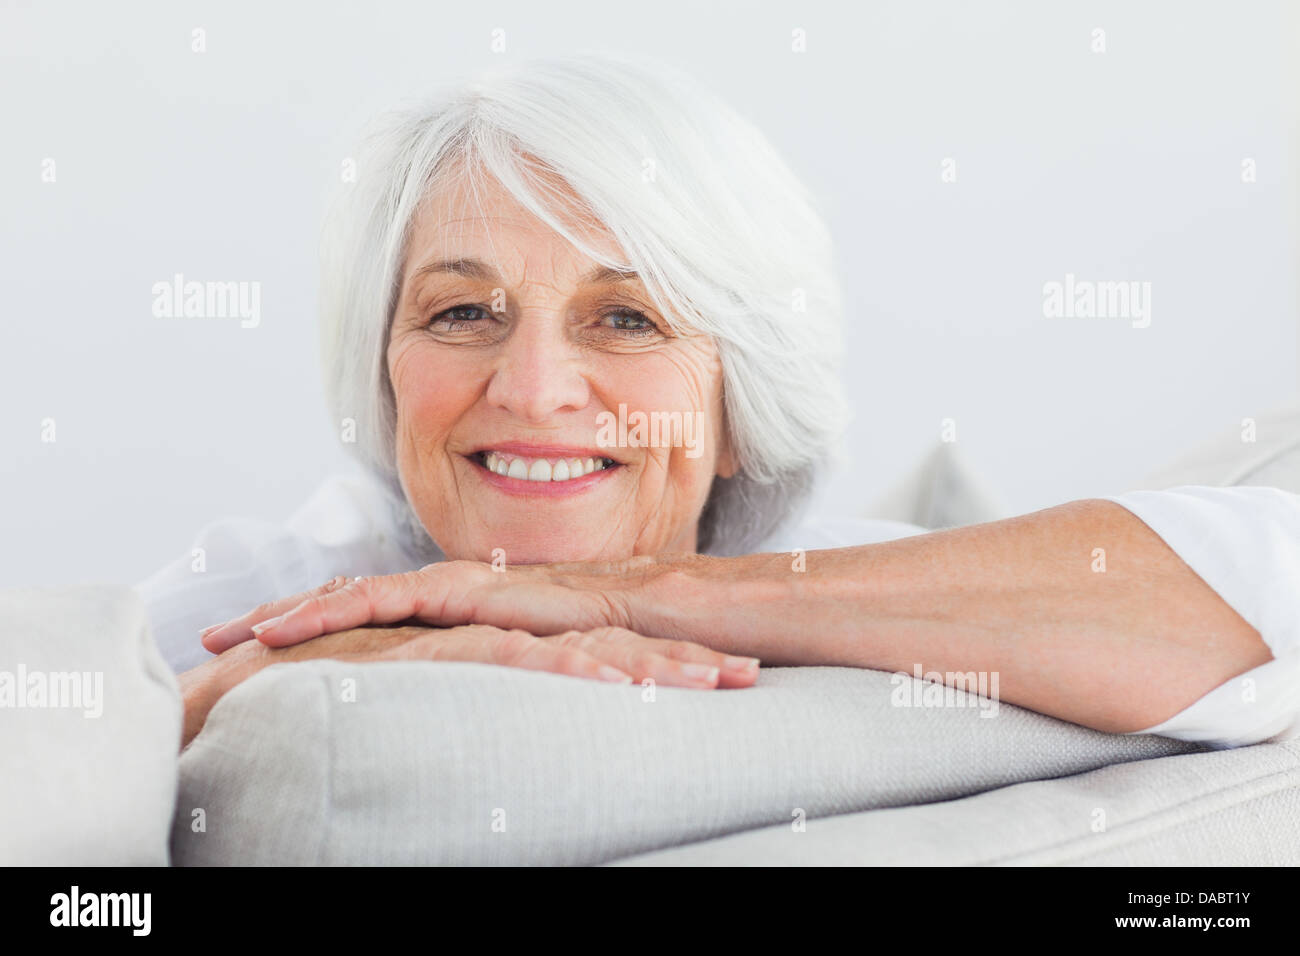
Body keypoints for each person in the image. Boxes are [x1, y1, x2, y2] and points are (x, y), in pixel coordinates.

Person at [135, 53, 1300, 751]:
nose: (533, 386)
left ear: (738, 406)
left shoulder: (827, 588)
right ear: (386, 375)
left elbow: (1270, 589)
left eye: (627, 318)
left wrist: (650, 596)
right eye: (461, 313)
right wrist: (238, 694)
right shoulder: (266, 598)